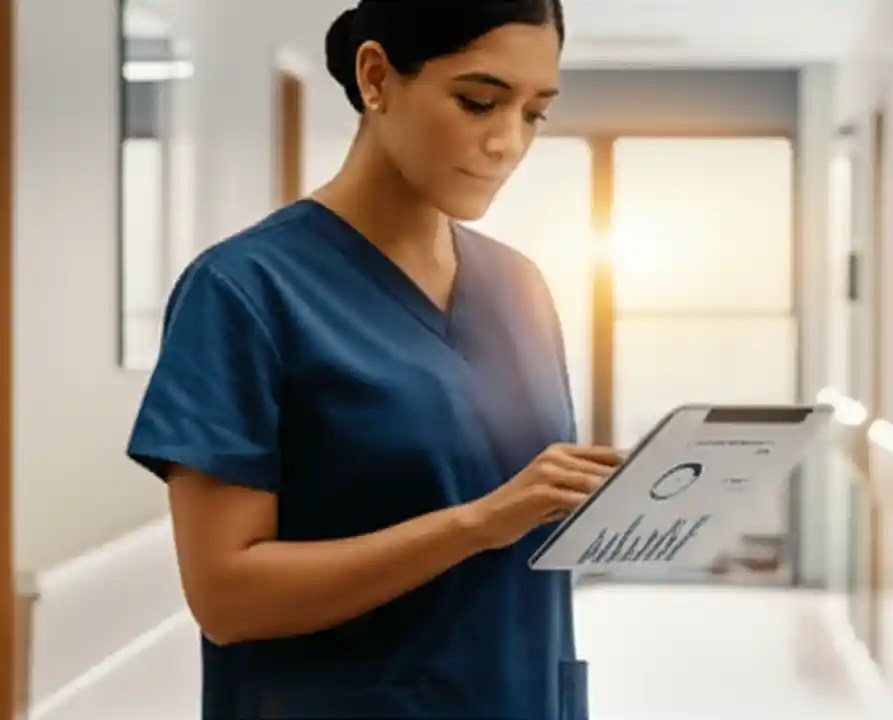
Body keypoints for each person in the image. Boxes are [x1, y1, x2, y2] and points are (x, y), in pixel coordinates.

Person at [125, 1, 620, 717]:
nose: (507, 142)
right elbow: (227, 598)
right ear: (377, 76)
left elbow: (522, 517)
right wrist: (475, 523)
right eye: (478, 101)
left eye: (535, 113)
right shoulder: (243, 292)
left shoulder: (520, 287)